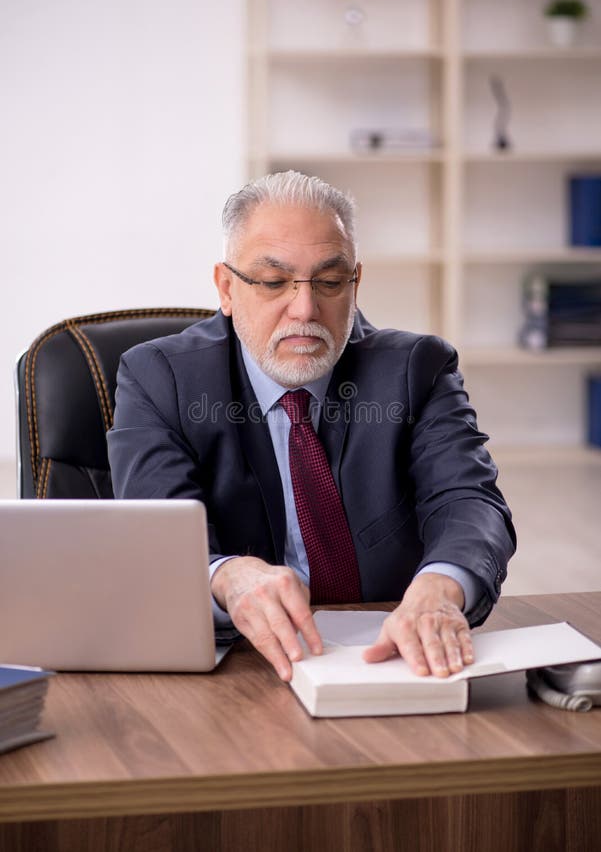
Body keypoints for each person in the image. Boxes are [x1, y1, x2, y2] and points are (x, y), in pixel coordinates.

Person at [107, 171, 516, 683]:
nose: (304, 309)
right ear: (227, 288)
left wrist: (440, 588)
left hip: (391, 657)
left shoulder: (417, 368)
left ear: (355, 283)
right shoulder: (158, 377)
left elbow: (470, 502)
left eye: (328, 282)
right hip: (233, 663)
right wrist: (226, 576)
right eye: (275, 282)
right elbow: (156, 535)